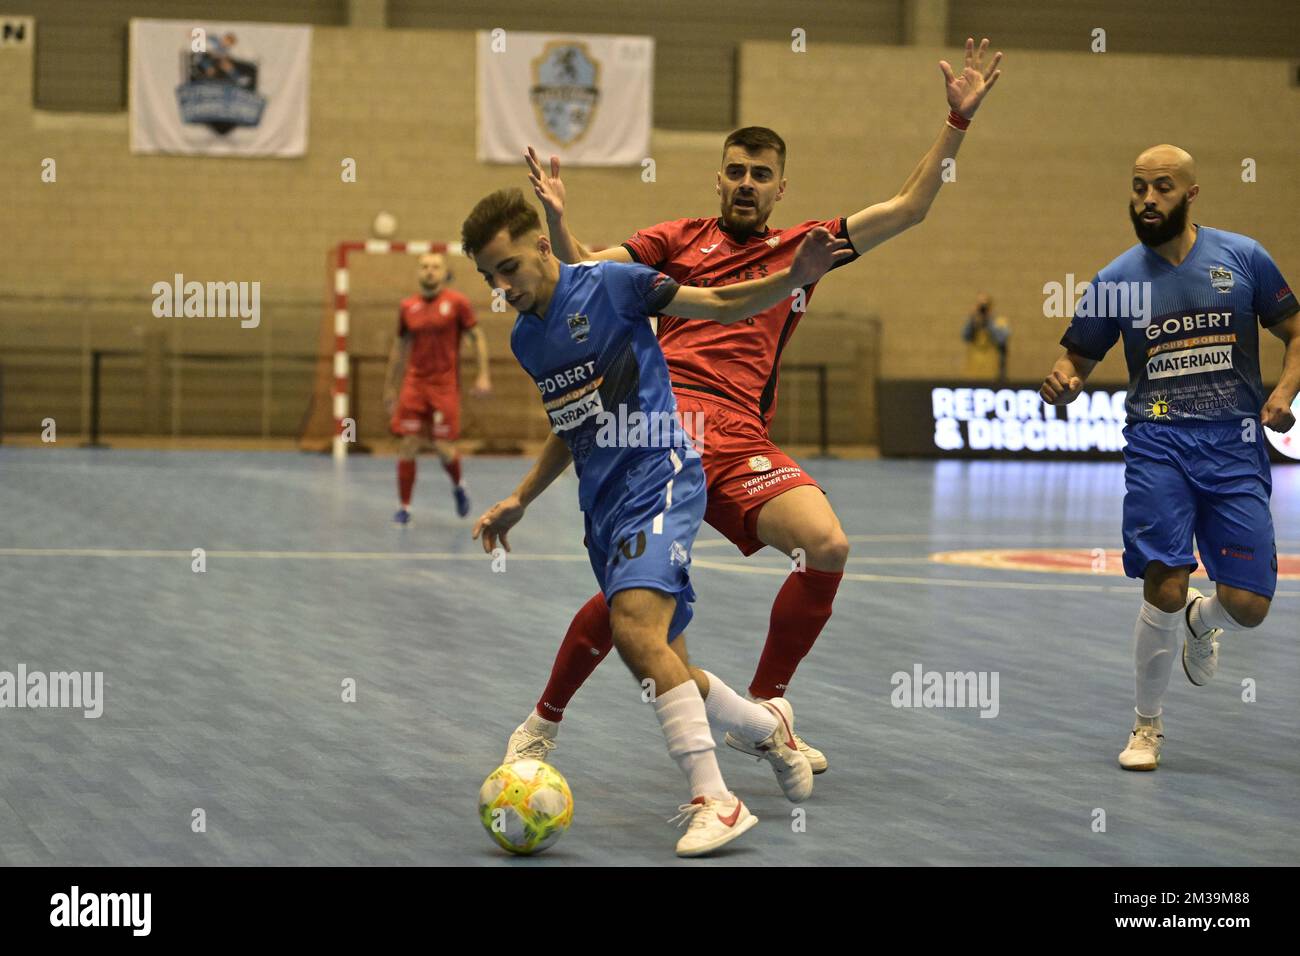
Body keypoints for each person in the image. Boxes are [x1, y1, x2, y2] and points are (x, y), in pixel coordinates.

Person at [506, 38, 1004, 772]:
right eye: (735, 171)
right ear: (718, 179)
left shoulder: (808, 249)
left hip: (739, 437)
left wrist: (956, 123)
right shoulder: (673, 241)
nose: (745, 183)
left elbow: (910, 207)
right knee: (636, 601)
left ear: (779, 189)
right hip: (663, 425)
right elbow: (582, 275)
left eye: (760, 175)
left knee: (826, 545)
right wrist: (554, 219)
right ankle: (543, 719)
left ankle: (768, 708)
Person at [464, 188, 849, 855]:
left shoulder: (615, 286)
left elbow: (723, 304)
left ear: (540, 245)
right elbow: (572, 422)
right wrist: (522, 497)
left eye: (508, 268)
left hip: (660, 475)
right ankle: (763, 727)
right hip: (602, 505)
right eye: (488, 277)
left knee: (635, 630)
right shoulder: (527, 338)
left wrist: (793, 278)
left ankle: (717, 801)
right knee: (661, 662)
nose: (502, 286)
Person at [1040, 144, 1299, 770]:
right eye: (1137, 188)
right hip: (1158, 445)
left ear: (1190, 194)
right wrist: (1061, 381)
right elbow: (1075, 358)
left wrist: (1284, 393)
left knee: (1250, 606)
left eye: (1161, 188)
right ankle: (1146, 727)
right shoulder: (1116, 280)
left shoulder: (1244, 258)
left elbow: (1295, 332)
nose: (1147, 200)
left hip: (1234, 449)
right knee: (1163, 580)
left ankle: (1202, 620)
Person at [383, 251, 490, 524]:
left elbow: (476, 337)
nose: (430, 271)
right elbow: (399, 347)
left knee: (443, 448)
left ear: (444, 273)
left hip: (444, 387)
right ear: (419, 272)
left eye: (435, 267)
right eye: (425, 267)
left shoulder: (457, 304)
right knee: (408, 444)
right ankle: (404, 507)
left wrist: (483, 375)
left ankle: (458, 486)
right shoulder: (407, 307)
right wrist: (390, 387)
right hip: (414, 385)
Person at [961, 293, 1011, 381]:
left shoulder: (1000, 322)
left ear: (991, 307)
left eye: (985, 306)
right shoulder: (974, 321)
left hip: (993, 372)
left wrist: (989, 321)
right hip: (973, 371)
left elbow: (1001, 340)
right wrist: (972, 319)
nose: (982, 309)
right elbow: (965, 336)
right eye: (980, 306)